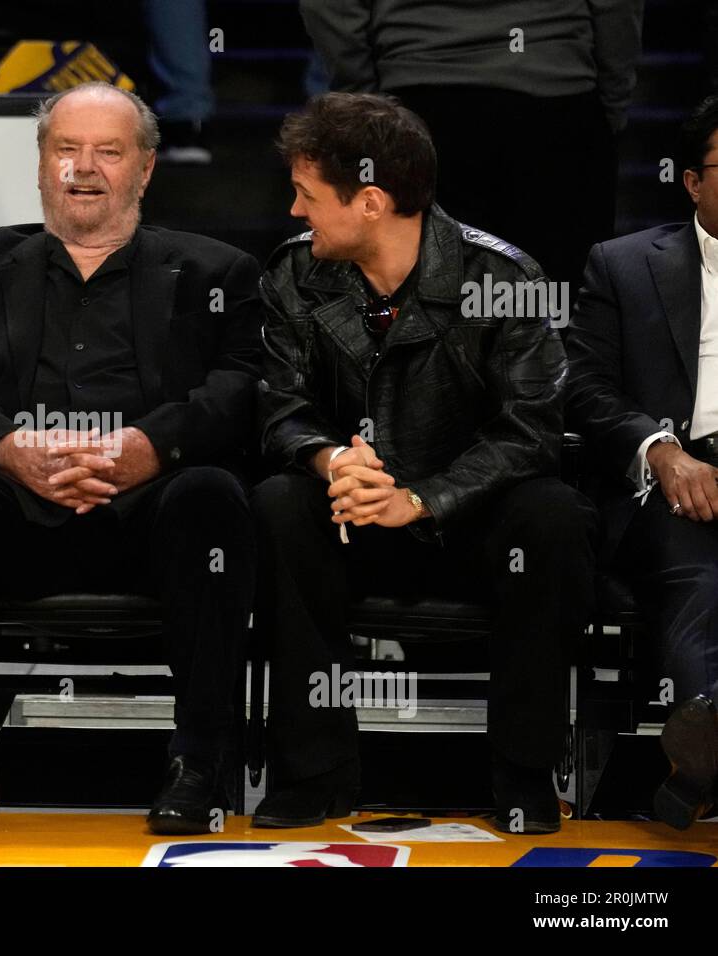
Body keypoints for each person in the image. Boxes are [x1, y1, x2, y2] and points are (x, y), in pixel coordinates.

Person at [0, 81, 260, 837]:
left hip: (149, 516)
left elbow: (243, 386)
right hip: (15, 513)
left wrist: (149, 448)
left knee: (212, 494)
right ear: (42, 164)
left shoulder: (218, 273)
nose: (83, 168)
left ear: (145, 170)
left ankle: (198, 759)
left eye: (108, 153)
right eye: (66, 150)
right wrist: (8, 448)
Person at [252, 92, 597, 834]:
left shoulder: (500, 276)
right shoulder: (292, 277)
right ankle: (314, 772)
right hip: (348, 522)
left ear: (370, 200)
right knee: (280, 503)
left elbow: (532, 431)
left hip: (467, 528)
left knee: (553, 515)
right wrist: (334, 458)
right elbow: (280, 406)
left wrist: (424, 498)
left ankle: (523, 772)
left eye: (307, 195)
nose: (293, 211)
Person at [565, 94, 718, 831]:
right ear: (692, 181)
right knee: (697, 568)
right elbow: (583, 387)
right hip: (673, 478)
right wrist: (660, 451)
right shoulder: (624, 266)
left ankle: (700, 758)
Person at [299, 0, 642, 289]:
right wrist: (609, 100)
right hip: (557, 99)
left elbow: (331, 9)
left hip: (417, 101)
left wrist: (370, 105)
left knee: (425, 321)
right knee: (556, 313)